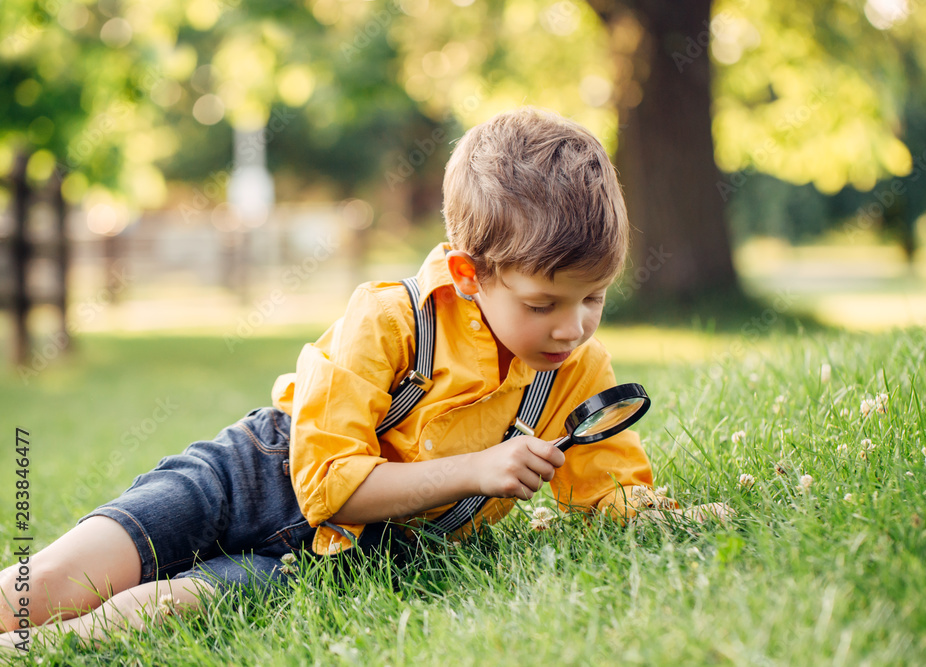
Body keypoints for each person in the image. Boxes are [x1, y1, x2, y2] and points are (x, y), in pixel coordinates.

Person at [0, 107, 727, 651]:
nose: (572, 328)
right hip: (253, 472)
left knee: (159, 607)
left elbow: (608, 493)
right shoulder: (391, 317)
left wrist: (658, 517)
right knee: (52, 583)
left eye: (593, 299)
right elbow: (326, 481)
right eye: (544, 304)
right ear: (472, 275)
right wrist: (479, 469)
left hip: (351, 550)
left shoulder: (573, 371)